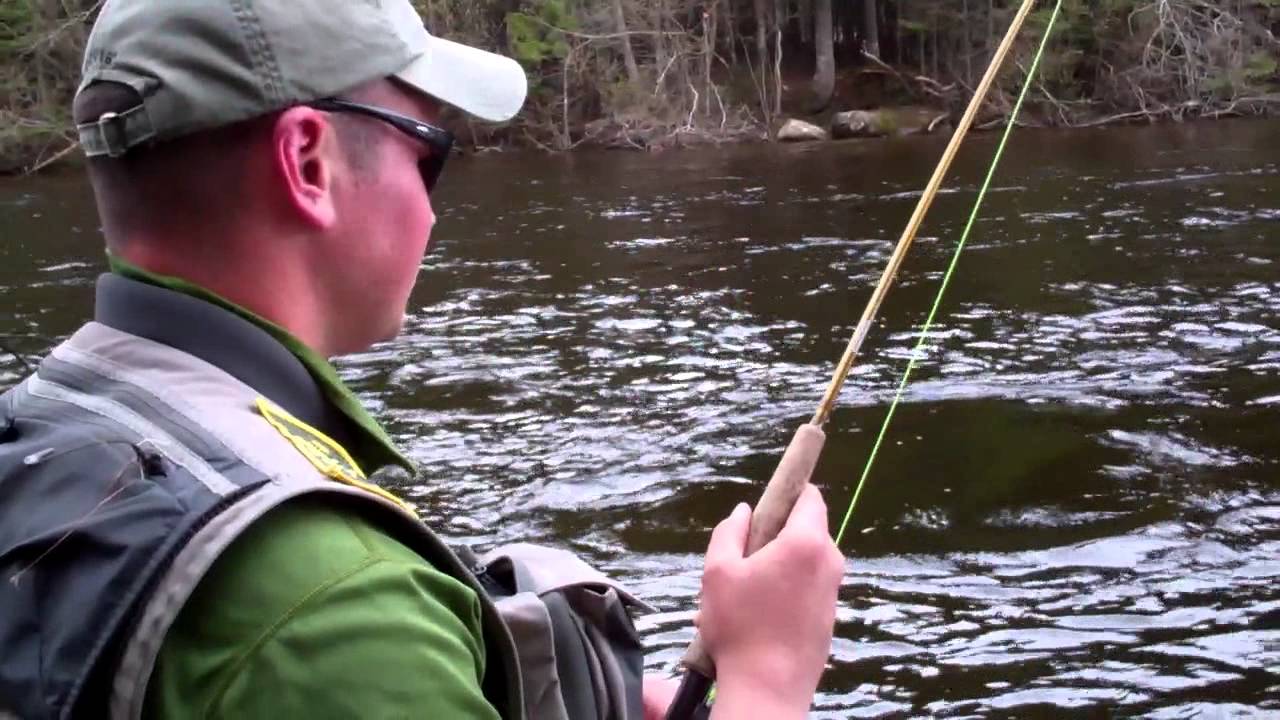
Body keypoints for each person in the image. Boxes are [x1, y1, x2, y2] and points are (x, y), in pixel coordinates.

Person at [0, 1, 845, 718]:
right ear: (306, 162)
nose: (434, 211)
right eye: (429, 150)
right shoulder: (335, 607)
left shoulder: (44, 427)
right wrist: (765, 683)